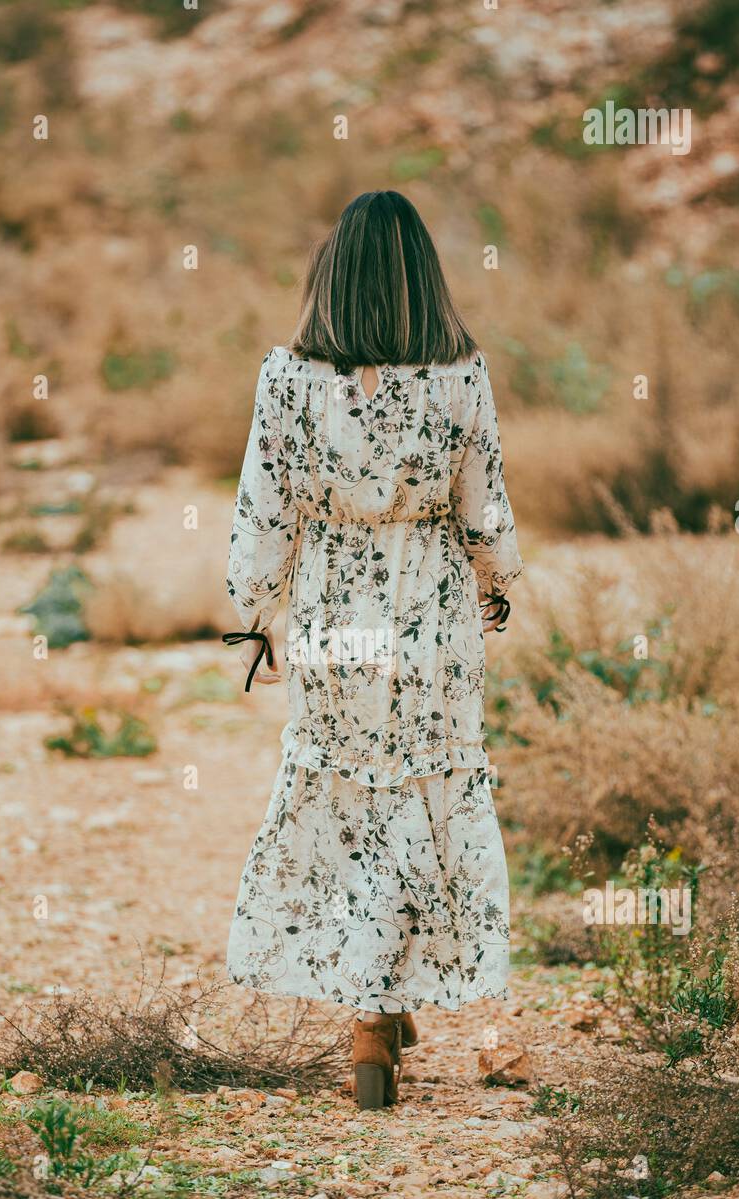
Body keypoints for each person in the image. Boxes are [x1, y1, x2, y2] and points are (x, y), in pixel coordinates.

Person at [224, 190, 523, 1109]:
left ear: (333, 277)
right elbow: (485, 511)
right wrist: (497, 583)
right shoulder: (460, 378)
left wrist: (255, 613)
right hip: (431, 623)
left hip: (332, 621)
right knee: (420, 802)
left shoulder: (286, 379)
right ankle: (384, 1008)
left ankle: (370, 1019)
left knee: (347, 802)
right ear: (423, 282)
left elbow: (262, 516)